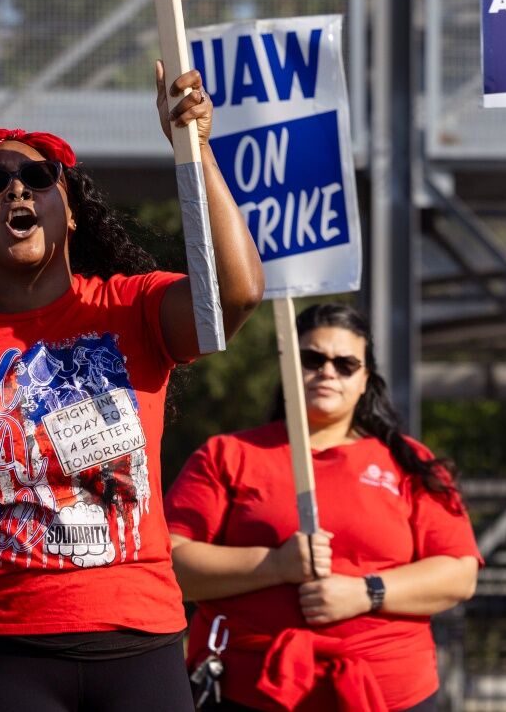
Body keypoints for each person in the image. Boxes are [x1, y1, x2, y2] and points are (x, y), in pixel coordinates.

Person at [0, 64, 264, 712]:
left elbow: (237, 293)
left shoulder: (133, 310)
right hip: (1, 654)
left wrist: (195, 149)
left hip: (141, 642)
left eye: (39, 178)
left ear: (71, 210)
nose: (17, 188)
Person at [166, 303, 481, 711]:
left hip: (391, 694)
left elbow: (459, 573)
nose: (328, 372)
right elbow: (170, 564)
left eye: (346, 364)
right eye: (312, 359)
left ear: (365, 379)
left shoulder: (410, 462)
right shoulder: (228, 455)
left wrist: (367, 592)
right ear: (289, 367)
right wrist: (275, 564)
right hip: (247, 691)